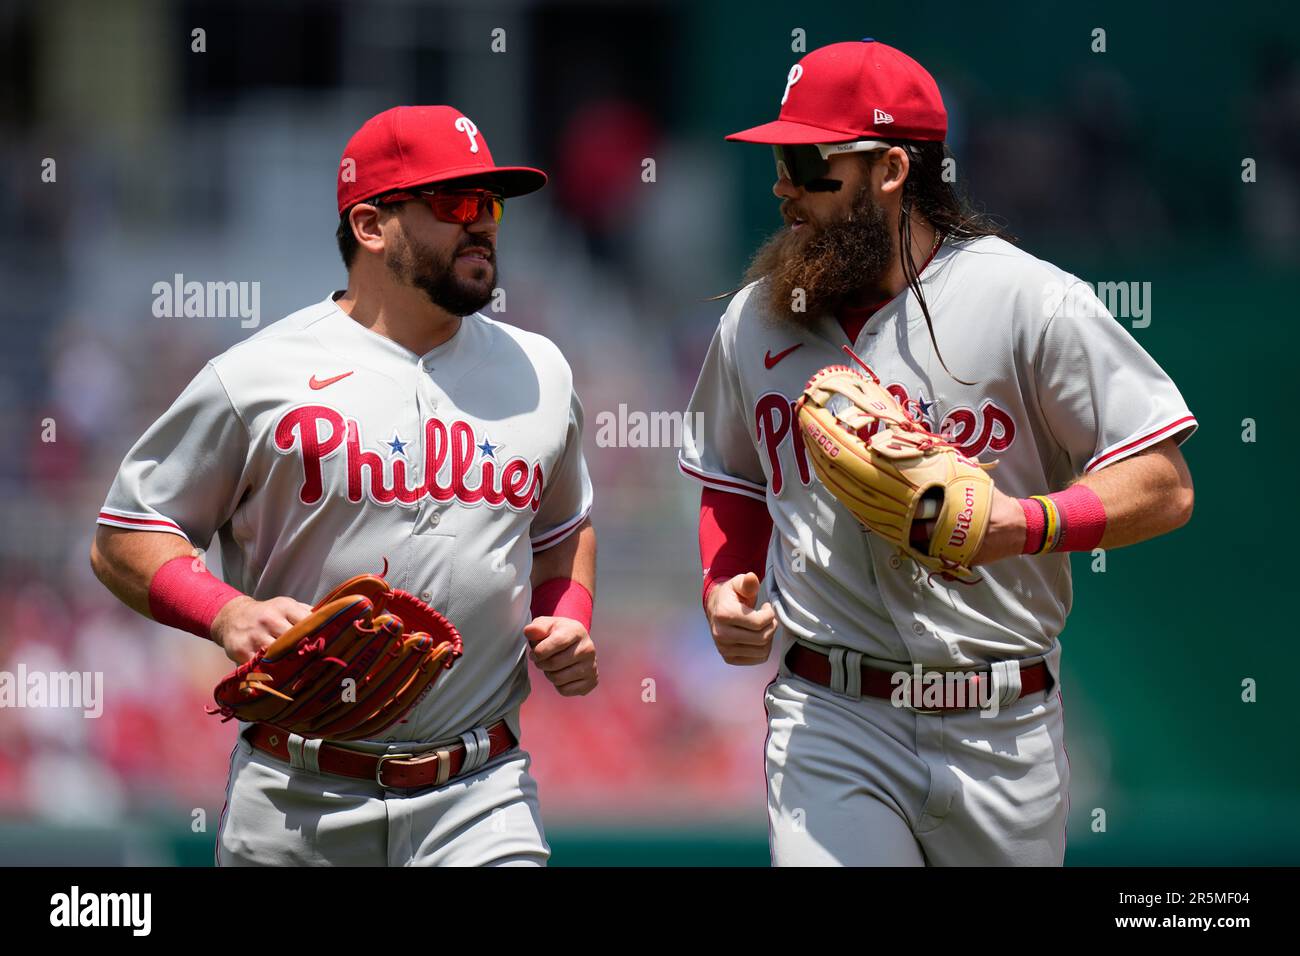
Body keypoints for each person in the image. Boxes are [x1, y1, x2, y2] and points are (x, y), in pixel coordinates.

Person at [678, 40, 1196, 865]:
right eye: (778, 160)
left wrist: (1022, 525)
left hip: (1004, 725)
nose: (782, 186)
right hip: (832, 717)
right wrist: (724, 580)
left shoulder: (1028, 300)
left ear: (890, 169)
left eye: (807, 162)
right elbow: (728, 475)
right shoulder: (755, 321)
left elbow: (1163, 484)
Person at [91, 105, 597, 866]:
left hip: (480, 793)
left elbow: (564, 528)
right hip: (297, 798)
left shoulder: (542, 371)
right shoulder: (257, 376)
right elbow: (125, 535)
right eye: (454, 202)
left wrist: (571, 613)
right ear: (370, 226)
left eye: (490, 205)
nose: (483, 224)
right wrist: (228, 615)